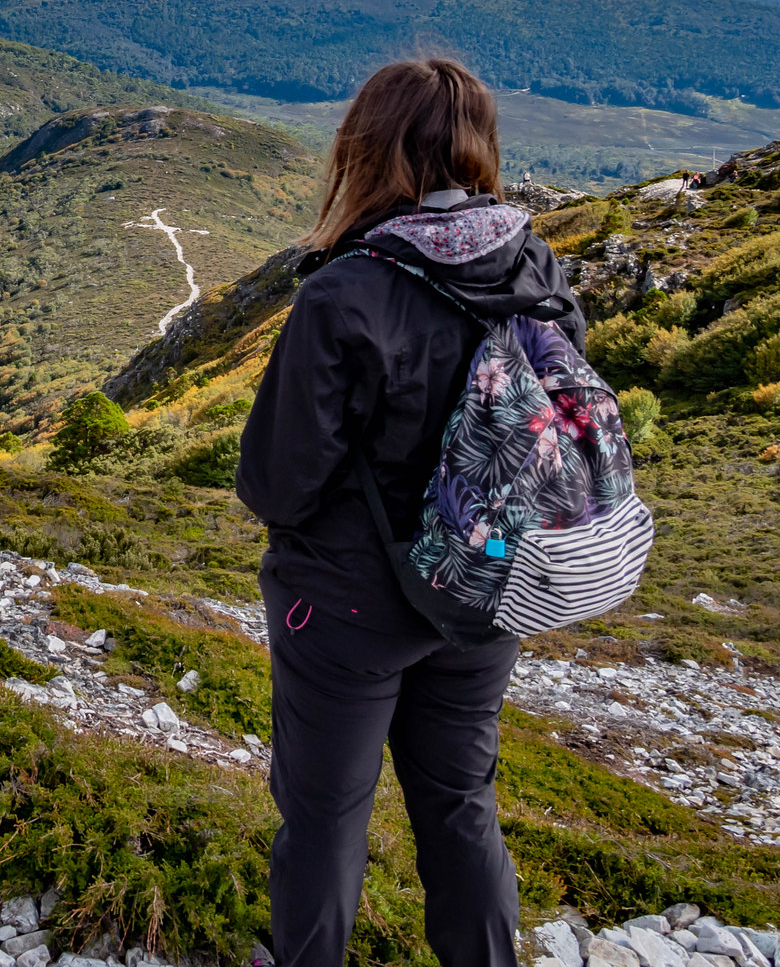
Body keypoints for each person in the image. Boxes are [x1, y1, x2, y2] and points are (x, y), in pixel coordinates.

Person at [236, 58, 585, 967]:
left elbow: (277, 485)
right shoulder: (536, 267)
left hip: (350, 608)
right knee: (462, 806)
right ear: (479, 146)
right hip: (486, 586)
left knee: (324, 822)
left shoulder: (344, 291)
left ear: (370, 149)